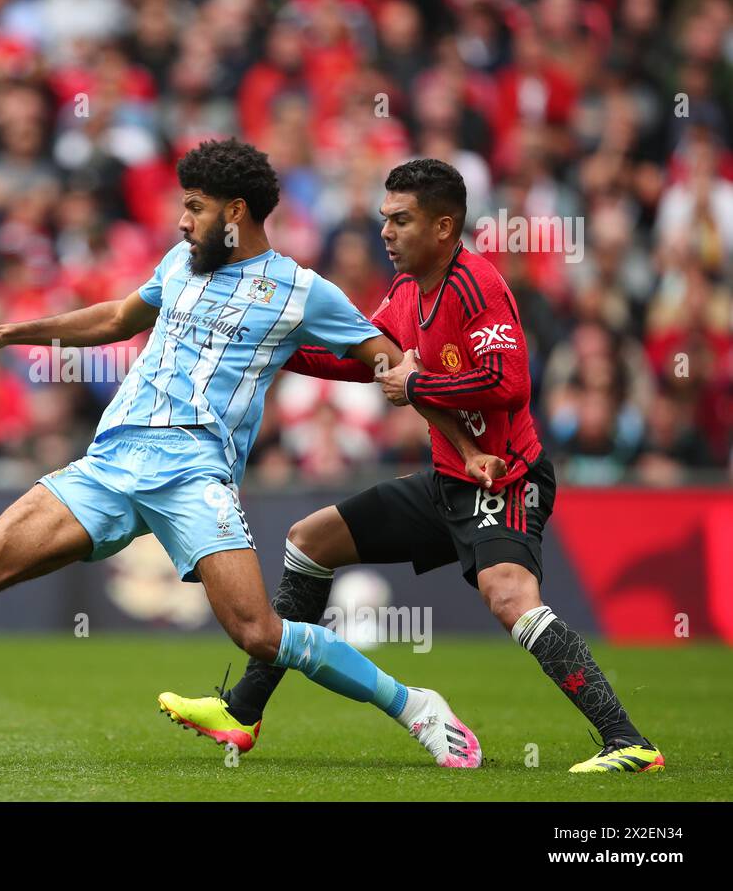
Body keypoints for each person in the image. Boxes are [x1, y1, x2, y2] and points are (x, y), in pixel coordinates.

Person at [0, 140, 493, 768]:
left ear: (235, 212)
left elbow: (392, 362)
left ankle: (417, 706)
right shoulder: (181, 262)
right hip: (112, 462)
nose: (182, 221)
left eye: (194, 207)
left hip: (195, 474)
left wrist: (454, 435)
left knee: (258, 633)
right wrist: (6, 333)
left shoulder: (303, 291)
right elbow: (118, 318)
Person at [157, 159, 665, 774]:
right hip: (448, 480)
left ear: (444, 226)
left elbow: (509, 382)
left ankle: (628, 742)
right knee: (310, 541)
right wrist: (272, 345)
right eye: (385, 219)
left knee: (508, 595)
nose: (386, 232)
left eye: (401, 220)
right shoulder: (405, 293)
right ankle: (242, 712)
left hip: (503, 479)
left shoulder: (477, 286)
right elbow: (365, 359)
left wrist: (420, 385)